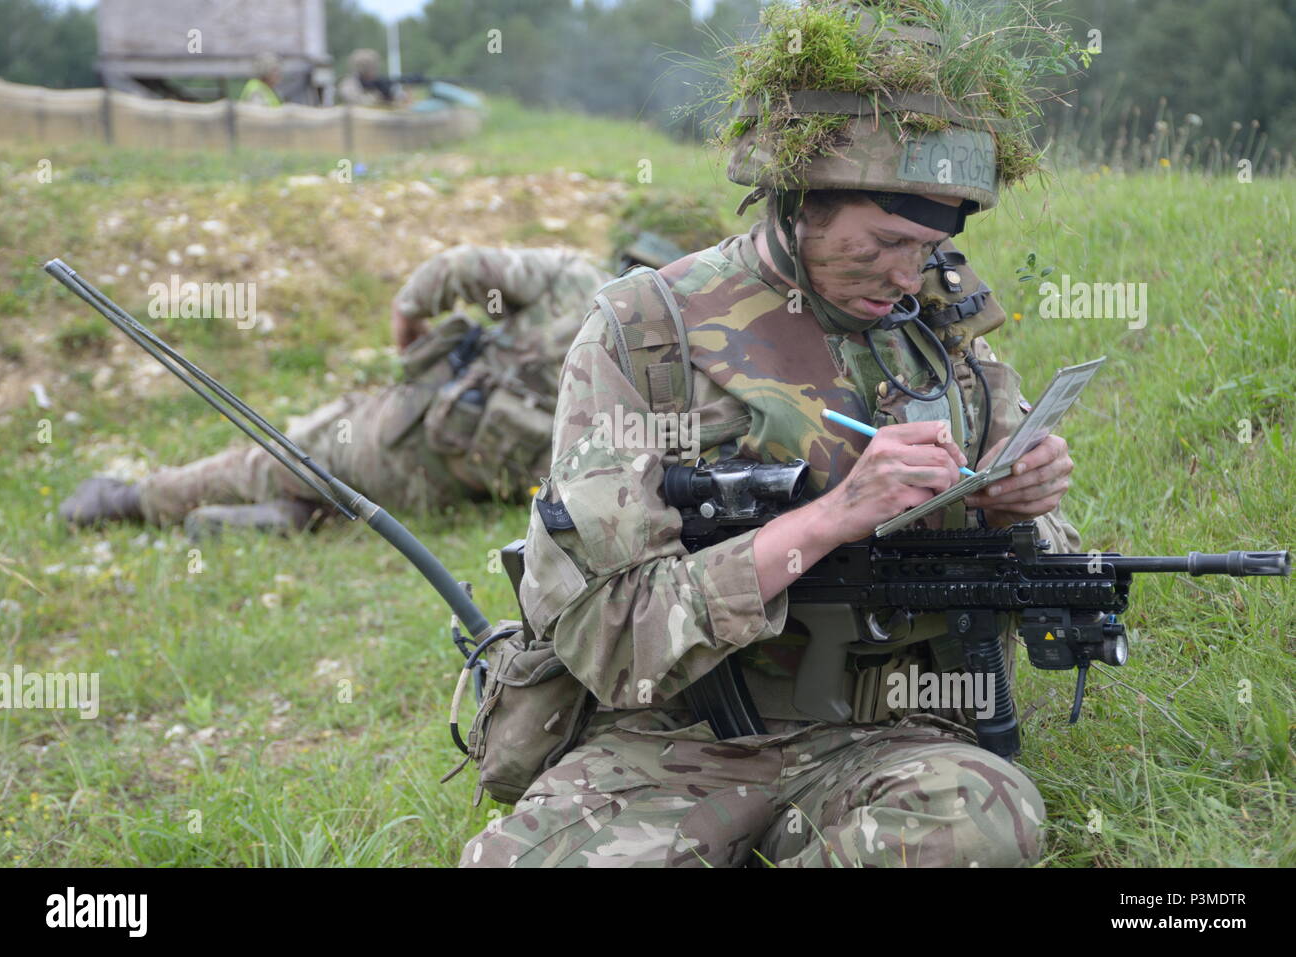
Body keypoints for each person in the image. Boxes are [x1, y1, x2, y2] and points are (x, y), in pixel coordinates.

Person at [460, 4, 1082, 868]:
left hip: (890, 736)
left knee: (980, 826)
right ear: (799, 204)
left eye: (931, 248)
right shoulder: (645, 332)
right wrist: (829, 518)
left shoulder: (940, 334)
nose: (909, 275)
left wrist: (1023, 511)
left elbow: (1037, 564)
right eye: (886, 241)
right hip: (672, 742)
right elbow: (610, 632)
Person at [59, 226, 715, 537]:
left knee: (275, 459)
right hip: (460, 486)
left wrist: (407, 324)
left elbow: (455, 268)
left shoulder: (574, 280)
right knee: (335, 494)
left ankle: (125, 501)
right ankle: (277, 520)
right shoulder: (679, 374)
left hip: (409, 430)